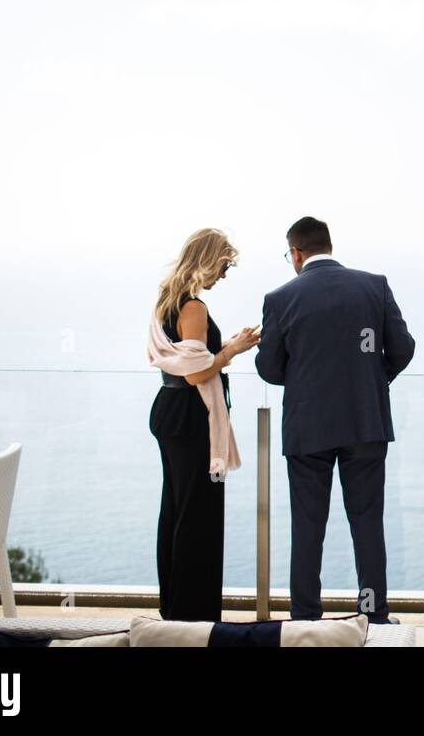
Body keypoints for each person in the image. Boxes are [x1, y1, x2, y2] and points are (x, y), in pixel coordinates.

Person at [255, 217, 415, 624]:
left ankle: (306, 618)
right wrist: (375, 377)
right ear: (328, 245)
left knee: (307, 527)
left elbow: (270, 369)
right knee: (366, 522)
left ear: (295, 253)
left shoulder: (279, 298)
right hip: (365, 422)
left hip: (307, 427)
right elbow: (403, 348)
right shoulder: (373, 285)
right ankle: (373, 614)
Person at [147, 228, 260, 622]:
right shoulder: (192, 307)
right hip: (190, 417)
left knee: (177, 509)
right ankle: (193, 614)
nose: (224, 275)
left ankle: (174, 605)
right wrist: (231, 351)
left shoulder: (166, 300)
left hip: (170, 411)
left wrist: (219, 349)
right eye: (224, 266)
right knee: (199, 515)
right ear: (208, 260)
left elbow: (188, 358)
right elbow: (196, 374)